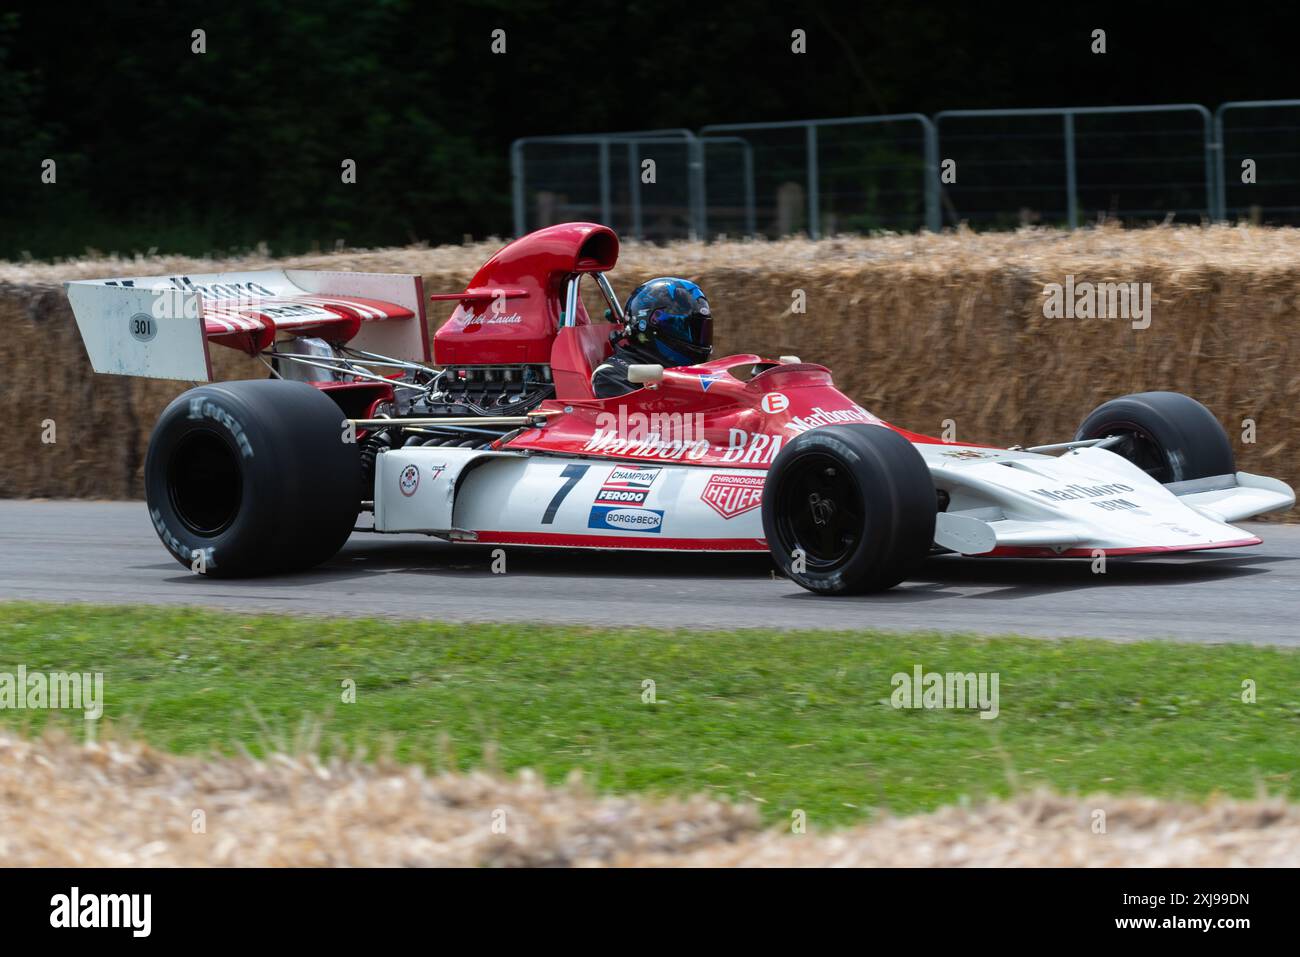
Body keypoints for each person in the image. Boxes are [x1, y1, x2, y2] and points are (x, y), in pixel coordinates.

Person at [591, 277, 714, 398]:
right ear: (650, 325)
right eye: (683, 328)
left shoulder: (688, 375)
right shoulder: (611, 375)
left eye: (700, 331)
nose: (697, 338)